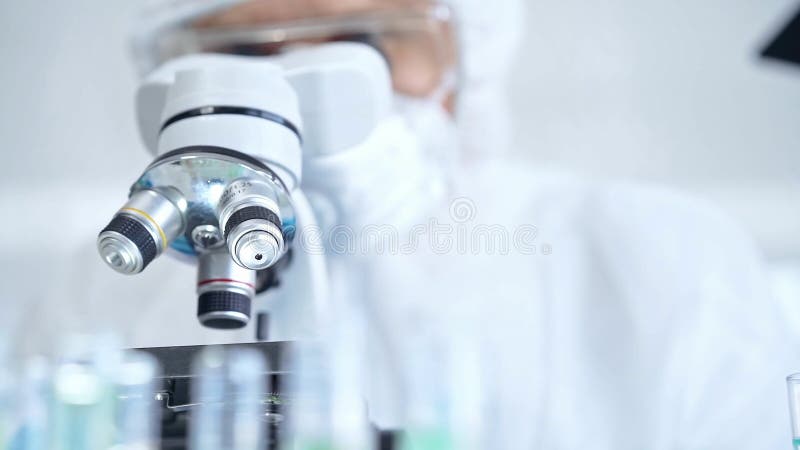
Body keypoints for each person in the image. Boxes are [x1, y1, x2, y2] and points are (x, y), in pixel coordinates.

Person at [15, 0, 796, 448]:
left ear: (463, 64)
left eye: (363, 42)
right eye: (242, 52)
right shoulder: (94, 301)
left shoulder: (657, 263)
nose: (295, 90)